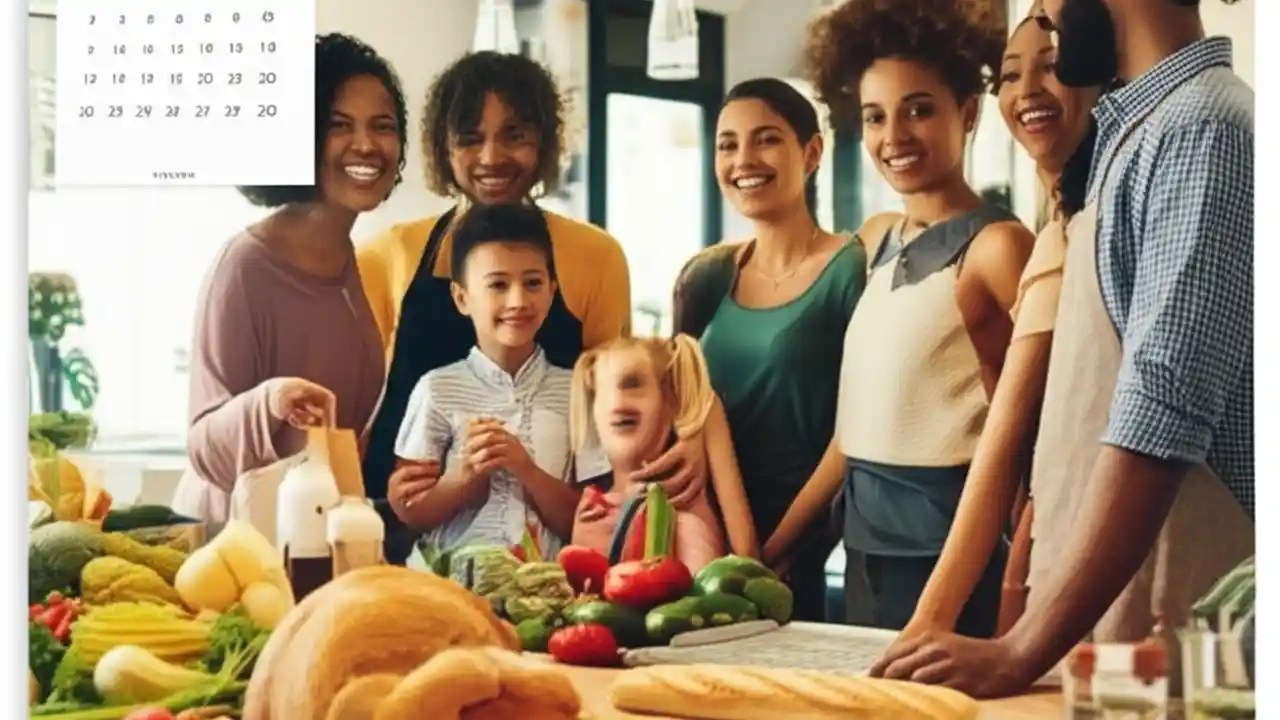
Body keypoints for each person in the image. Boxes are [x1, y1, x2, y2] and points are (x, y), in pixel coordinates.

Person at [873, 0, 1254, 698]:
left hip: (1185, 647)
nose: (1044, 14)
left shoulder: (1204, 127)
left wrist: (1019, 649)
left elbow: (1162, 416)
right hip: (1121, 638)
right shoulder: (1139, 136)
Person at [357, 52, 708, 562]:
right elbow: (357, 411)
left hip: (550, 544)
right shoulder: (391, 252)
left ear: (543, 142)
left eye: (515, 134)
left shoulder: (595, 256)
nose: (491, 156)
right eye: (470, 137)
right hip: (397, 533)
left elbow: (623, 393)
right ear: (443, 146)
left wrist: (695, 436)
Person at [874, 5, 1102, 651]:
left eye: (1052, 67)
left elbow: (1022, 435)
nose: (1026, 90)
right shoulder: (1055, 229)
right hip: (1030, 540)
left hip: (1079, 544)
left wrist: (943, 615)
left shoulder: (1027, 242)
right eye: (1009, 74)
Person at [805, 0, 1036, 636]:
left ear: (968, 113)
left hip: (953, 548)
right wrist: (777, 543)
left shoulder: (997, 247)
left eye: (919, 109)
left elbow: (1042, 419)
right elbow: (853, 428)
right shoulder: (879, 237)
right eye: (875, 116)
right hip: (862, 542)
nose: (893, 136)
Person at [176, 33, 407, 534]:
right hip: (234, 549)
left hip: (313, 538)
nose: (366, 145)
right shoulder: (244, 268)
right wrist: (272, 400)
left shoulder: (353, 261)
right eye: (338, 125)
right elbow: (203, 447)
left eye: (382, 126)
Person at [672, 78, 867, 620]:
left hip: (797, 545)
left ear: (811, 152)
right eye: (727, 144)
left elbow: (856, 429)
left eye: (766, 140)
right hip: (703, 543)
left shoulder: (853, 267)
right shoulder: (708, 275)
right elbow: (682, 405)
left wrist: (776, 550)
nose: (743, 160)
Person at [389, 203, 607, 561]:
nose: (518, 300)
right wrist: (462, 477)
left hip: (547, 593)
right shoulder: (436, 388)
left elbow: (588, 521)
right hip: (450, 590)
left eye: (533, 283)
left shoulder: (578, 391)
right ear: (462, 298)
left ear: (552, 292)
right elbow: (412, 512)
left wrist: (525, 468)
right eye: (498, 285)